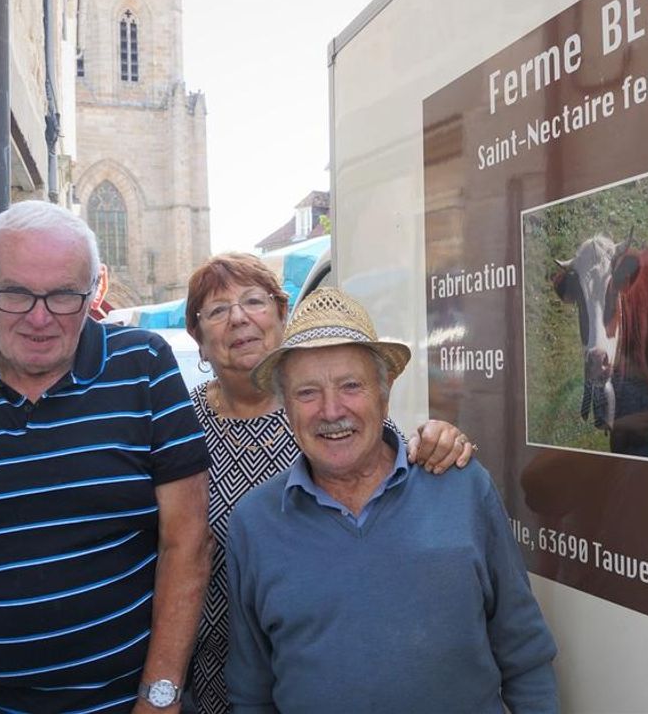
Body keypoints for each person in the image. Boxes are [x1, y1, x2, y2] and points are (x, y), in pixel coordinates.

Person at [0, 200, 211, 713]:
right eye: (14, 294)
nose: (39, 318)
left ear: (95, 289)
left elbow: (187, 543)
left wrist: (159, 698)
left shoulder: (144, 367)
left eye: (62, 296)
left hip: (119, 703)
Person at [226, 288, 558, 713]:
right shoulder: (255, 522)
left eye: (351, 386)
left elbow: (525, 654)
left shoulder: (461, 486)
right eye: (307, 393)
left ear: (384, 396)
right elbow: (251, 691)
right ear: (287, 409)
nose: (331, 411)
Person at [180, 253, 475, 714]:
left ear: (283, 318)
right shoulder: (178, 426)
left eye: (254, 301)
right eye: (217, 310)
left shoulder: (325, 412)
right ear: (198, 342)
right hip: (222, 664)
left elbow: (399, 471)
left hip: (320, 652)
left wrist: (441, 440)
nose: (238, 318)